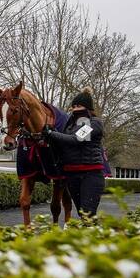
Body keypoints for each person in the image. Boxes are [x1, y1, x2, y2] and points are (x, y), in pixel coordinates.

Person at [42, 89, 106, 218]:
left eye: (79, 106)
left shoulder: (95, 123)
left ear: (88, 108)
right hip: (72, 174)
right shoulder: (69, 125)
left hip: (91, 175)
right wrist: (49, 134)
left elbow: (76, 140)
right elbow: (62, 143)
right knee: (82, 214)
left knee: (88, 214)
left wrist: (52, 134)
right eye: (74, 106)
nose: (76, 109)